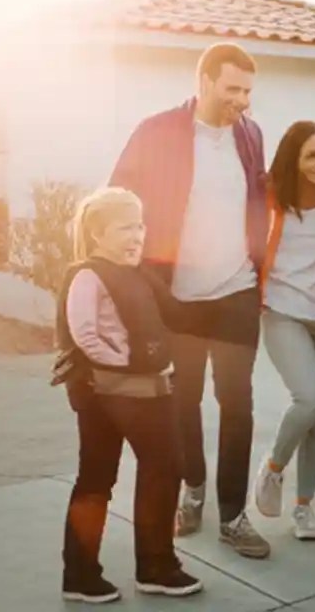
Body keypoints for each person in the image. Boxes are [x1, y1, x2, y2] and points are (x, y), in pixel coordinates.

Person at [109, 42, 271, 559]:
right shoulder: (156, 133)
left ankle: (234, 515)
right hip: (176, 298)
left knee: (238, 406)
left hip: (237, 292)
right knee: (184, 404)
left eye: (247, 91)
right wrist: (135, 278)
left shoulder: (251, 135)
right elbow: (115, 201)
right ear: (203, 82)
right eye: (232, 90)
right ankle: (193, 491)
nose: (241, 101)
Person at [57, 187, 203, 603]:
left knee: (102, 476)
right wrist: (123, 360)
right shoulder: (88, 274)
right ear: (98, 233)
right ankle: (153, 567)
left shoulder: (136, 272)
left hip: (131, 387)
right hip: (123, 391)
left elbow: (172, 313)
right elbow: (84, 332)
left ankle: (84, 575)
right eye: (125, 227)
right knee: (160, 467)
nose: (137, 234)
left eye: (140, 225)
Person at [252, 121, 315, 541]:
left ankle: (304, 506)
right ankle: (273, 467)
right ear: (293, 159)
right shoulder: (268, 198)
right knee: (309, 399)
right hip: (282, 311)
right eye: (312, 155)